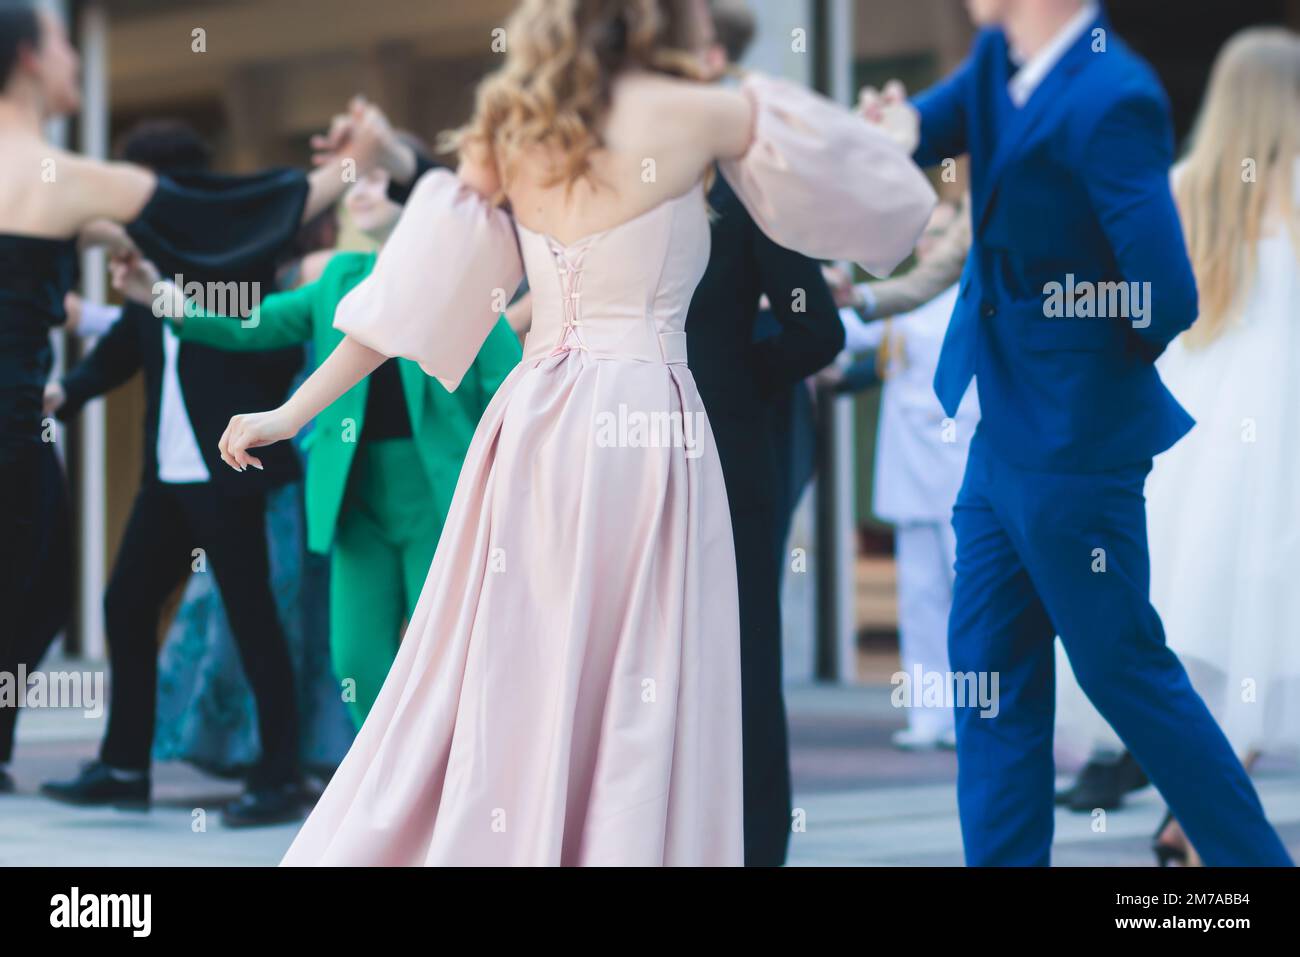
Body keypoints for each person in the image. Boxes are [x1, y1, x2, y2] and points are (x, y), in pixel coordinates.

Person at [216, 0, 934, 866]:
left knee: (519, 673)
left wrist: (292, 412)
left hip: (534, 427)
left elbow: (403, 304)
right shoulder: (706, 111)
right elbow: (888, 206)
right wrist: (892, 131)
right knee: (641, 687)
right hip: (650, 431)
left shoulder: (514, 128)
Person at [863, 0, 1292, 866]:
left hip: (1073, 444)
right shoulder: (994, 59)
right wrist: (889, 123)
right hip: (999, 439)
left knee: (1124, 673)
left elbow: (1165, 294)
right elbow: (923, 127)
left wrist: (1071, 361)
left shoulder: (1114, 92)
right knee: (987, 681)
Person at [113, 146, 523, 730]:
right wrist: (158, 295)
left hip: (438, 491)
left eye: (381, 180)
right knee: (356, 657)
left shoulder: (460, 274)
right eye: (358, 180)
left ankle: (453, 790)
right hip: (354, 495)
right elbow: (250, 324)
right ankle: (385, 792)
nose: (361, 188)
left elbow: (506, 380)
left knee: (446, 656)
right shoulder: (339, 278)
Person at [1057, 27, 1300, 865]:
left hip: (1197, 415)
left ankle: (1191, 815)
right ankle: (1198, 819)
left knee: (1193, 619)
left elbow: (1133, 300)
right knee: (1267, 631)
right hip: (1283, 416)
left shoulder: (1182, 187)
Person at [668, 0, 844, 866]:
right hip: (634, 450)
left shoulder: (747, 182)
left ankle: (753, 846)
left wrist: (732, 379)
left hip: (732, 460)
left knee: (741, 661)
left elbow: (819, 330)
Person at [830, 201, 978, 751]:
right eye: (924, 236)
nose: (930, 246)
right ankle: (929, 715)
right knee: (920, 597)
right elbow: (845, 336)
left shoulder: (972, 298)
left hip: (963, 467)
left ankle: (975, 714)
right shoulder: (901, 302)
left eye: (941, 234)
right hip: (909, 471)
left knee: (971, 596)